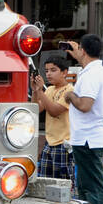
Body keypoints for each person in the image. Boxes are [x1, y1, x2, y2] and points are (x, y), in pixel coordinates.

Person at [64, 33, 103, 204]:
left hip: (88, 138)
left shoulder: (92, 74)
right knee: (86, 186)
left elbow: (84, 105)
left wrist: (70, 95)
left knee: (93, 186)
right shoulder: (93, 70)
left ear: (83, 50)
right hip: (86, 137)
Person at [30, 55, 75, 188]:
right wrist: (35, 91)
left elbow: (54, 111)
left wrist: (41, 92)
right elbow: (35, 109)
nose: (48, 74)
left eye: (53, 70)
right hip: (49, 143)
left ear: (64, 72)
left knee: (64, 185)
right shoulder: (49, 89)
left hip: (64, 144)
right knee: (45, 183)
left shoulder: (69, 91)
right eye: (47, 70)